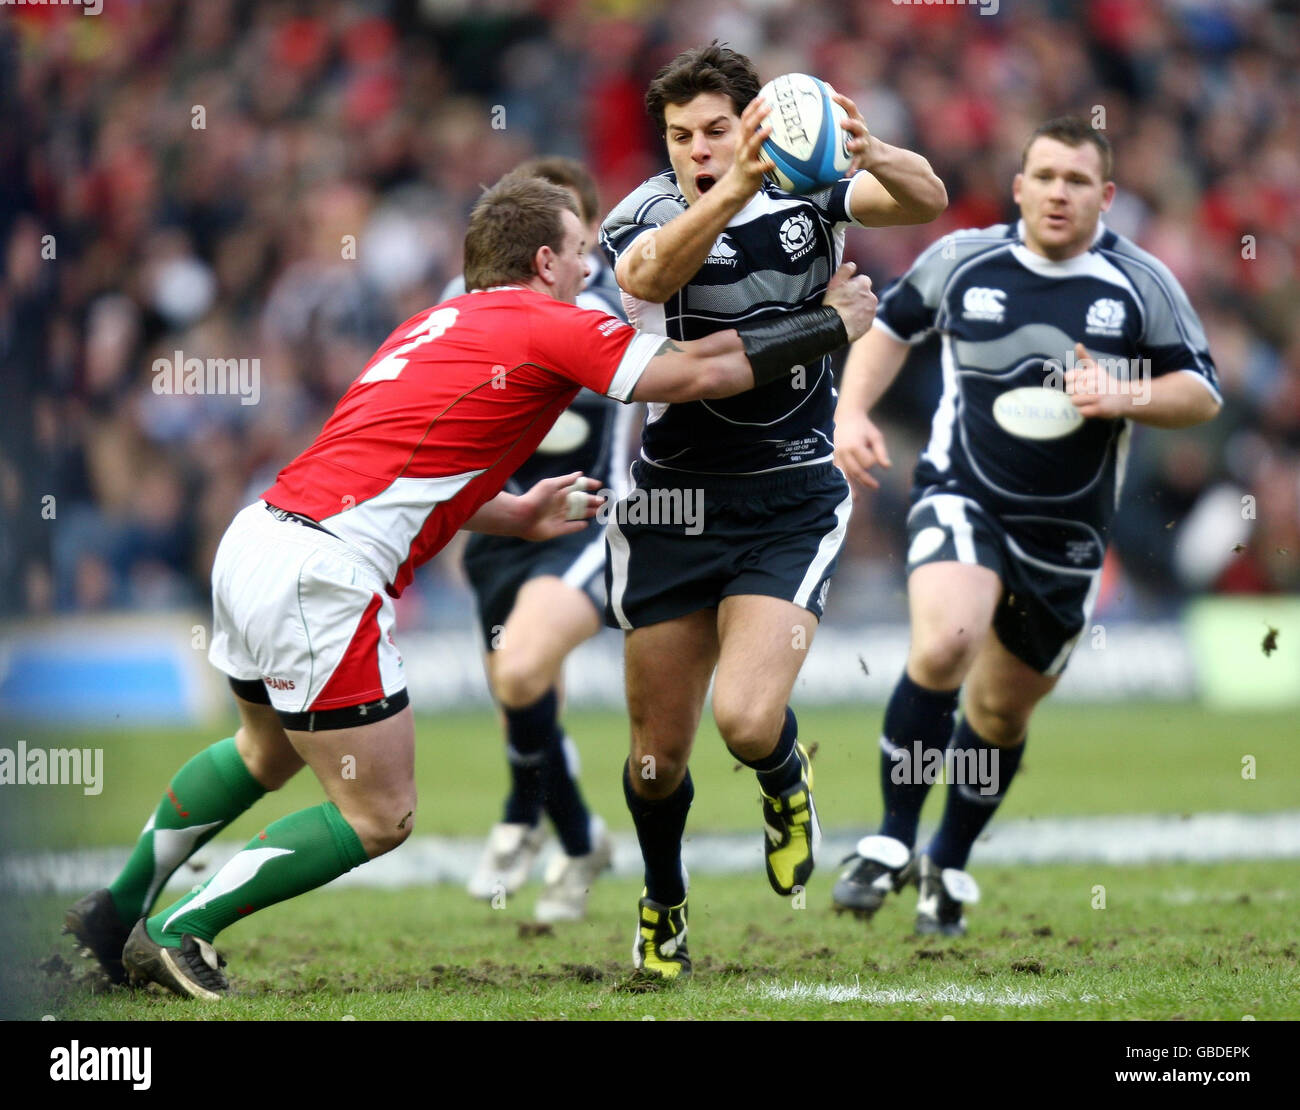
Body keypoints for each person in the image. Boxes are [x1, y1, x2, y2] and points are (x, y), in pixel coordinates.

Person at [62, 172, 877, 999]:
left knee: (265, 749)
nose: (595, 267)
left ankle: (114, 907)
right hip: (322, 573)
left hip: (259, 536)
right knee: (381, 815)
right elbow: (696, 374)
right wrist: (827, 324)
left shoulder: (435, 320)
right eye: (585, 253)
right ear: (545, 260)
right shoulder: (548, 323)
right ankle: (181, 928)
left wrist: (517, 514)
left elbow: (409, 465)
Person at [598, 42, 945, 979]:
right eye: (681, 137)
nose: (698, 150)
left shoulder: (812, 188)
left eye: (717, 130)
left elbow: (928, 200)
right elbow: (651, 279)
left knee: (748, 722)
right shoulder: (647, 213)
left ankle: (786, 781)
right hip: (671, 507)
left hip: (791, 494)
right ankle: (664, 900)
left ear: (753, 121)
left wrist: (869, 151)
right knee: (653, 765)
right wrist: (733, 184)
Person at [831, 117, 1221, 936]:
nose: (1057, 192)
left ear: (1106, 196)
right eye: (1043, 175)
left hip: (1068, 537)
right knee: (945, 642)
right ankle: (890, 841)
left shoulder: (1139, 283)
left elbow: (1202, 393)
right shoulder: (963, 259)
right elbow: (895, 326)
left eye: (1077, 181)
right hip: (961, 494)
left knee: (1003, 715)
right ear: (1018, 185)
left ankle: (949, 862)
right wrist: (853, 410)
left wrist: (1127, 395)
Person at [442, 158, 633, 922]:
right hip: (501, 525)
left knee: (522, 672)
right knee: (520, 702)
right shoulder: (469, 306)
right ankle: (578, 836)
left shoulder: (621, 307)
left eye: (588, 236)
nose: (584, 257)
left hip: (583, 517)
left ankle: (525, 818)